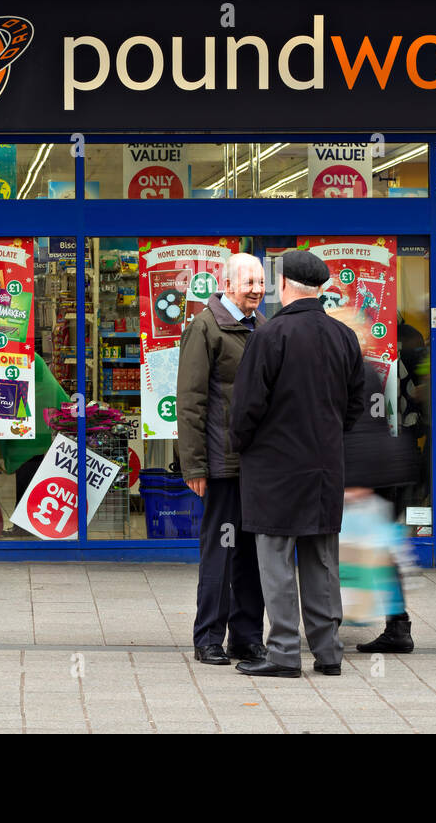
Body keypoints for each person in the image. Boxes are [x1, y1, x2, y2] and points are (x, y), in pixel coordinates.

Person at [230, 250, 364, 678]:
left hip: (273, 470)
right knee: (322, 560)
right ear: (320, 288)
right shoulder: (343, 336)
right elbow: (357, 404)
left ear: (283, 284)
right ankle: (329, 652)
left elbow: (246, 407)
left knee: (276, 562)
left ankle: (285, 652)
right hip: (324, 467)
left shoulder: (270, 336)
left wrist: (242, 444)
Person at [177, 251, 268, 666]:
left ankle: (247, 637)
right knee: (221, 548)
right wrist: (194, 465)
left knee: (251, 552)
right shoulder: (205, 326)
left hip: (258, 464)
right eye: (249, 282)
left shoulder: (262, 327)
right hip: (221, 463)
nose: (257, 289)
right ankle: (209, 637)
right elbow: (191, 401)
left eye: (261, 281)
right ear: (228, 284)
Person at [347, 360, 421, 654]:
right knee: (380, 548)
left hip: (363, 471)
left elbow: (355, 424)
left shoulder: (343, 368)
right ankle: (397, 626)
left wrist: (352, 481)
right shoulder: (365, 368)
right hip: (384, 465)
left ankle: (394, 626)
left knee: (366, 548)